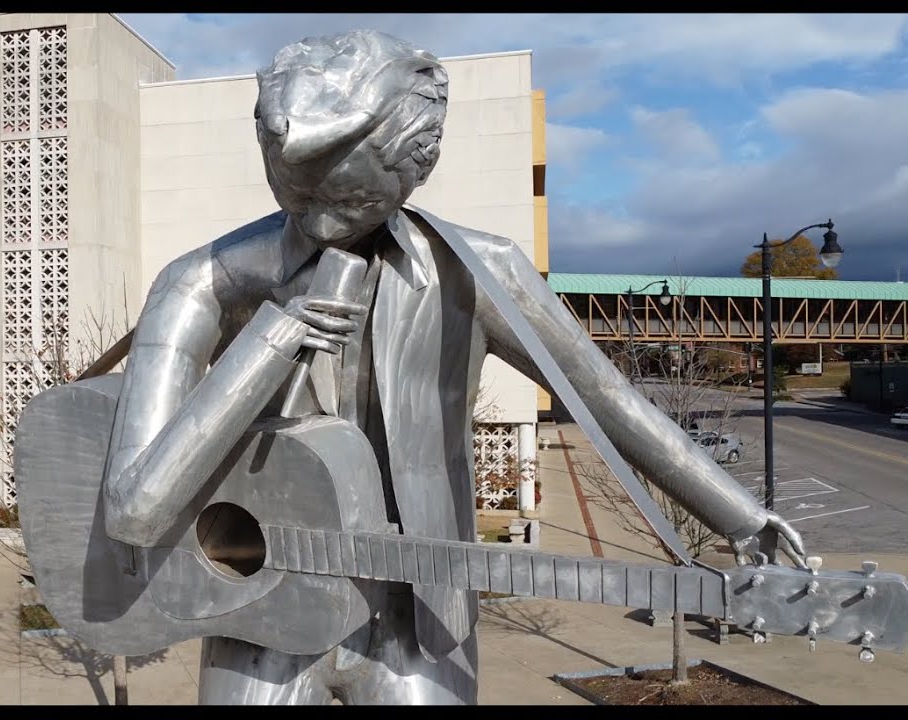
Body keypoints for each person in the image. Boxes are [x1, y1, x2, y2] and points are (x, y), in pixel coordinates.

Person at [99, 29, 805, 705]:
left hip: (422, 617)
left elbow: (607, 399)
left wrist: (744, 520)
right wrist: (266, 342)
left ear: (413, 169)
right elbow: (133, 504)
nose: (316, 223)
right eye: (298, 196)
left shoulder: (482, 274)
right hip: (257, 601)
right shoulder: (202, 280)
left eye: (347, 200)